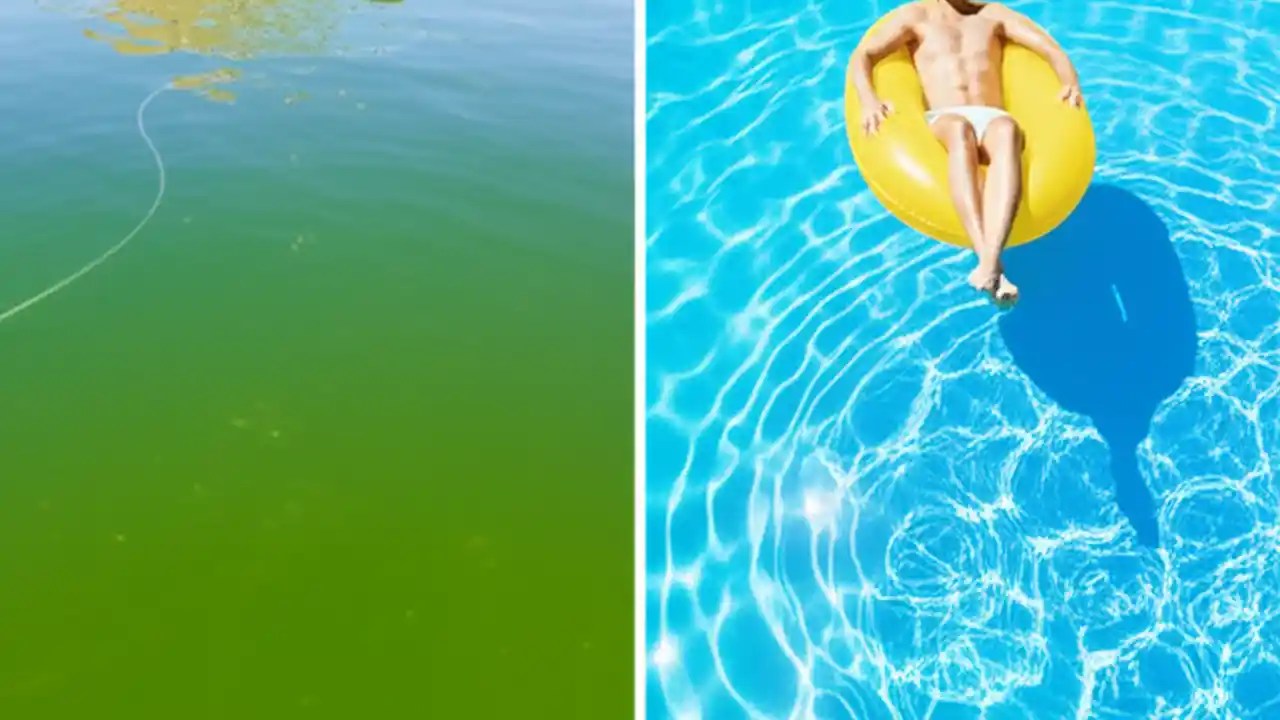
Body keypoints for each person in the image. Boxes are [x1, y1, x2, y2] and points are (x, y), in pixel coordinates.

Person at [849, 0, 1084, 304]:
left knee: (1007, 131)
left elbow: (1051, 50)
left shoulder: (993, 15)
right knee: (960, 131)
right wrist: (869, 100)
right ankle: (989, 259)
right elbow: (864, 55)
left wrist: (1070, 82)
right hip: (946, 116)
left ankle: (990, 265)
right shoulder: (916, 17)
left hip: (990, 114)